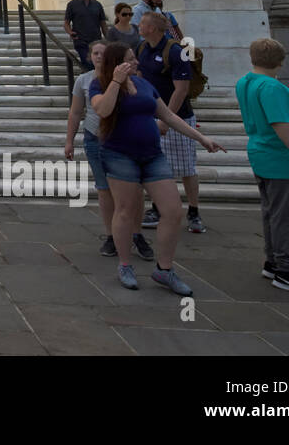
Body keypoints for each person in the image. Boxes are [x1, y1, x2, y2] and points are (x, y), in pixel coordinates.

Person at [90, 43, 225, 294]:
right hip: (120, 154)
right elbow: (103, 110)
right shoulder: (100, 85)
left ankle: (164, 269)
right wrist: (116, 82)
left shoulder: (144, 85)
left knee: (173, 210)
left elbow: (168, 116)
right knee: (125, 211)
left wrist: (201, 138)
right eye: (130, 59)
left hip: (152, 154)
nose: (136, 63)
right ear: (117, 63)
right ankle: (125, 263)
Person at [236, 38, 289, 296]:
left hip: (261, 153)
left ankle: (272, 262)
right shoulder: (271, 87)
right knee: (287, 216)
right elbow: (280, 123)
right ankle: (285, 271)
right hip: (281, 159)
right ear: (280, 62)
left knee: (271, 212)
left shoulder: (245, 82)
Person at [65, 39, 155, 261]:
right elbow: (76, 112)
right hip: (95, 138)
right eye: (94, 53)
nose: (98, 56)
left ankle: (136, 233)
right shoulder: (84, 81)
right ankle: (111, 236)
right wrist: (69, 140)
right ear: (89, 56)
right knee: (104, 188)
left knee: (135, 189)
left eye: (102, 53)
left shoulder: (132, 79)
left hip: (123, 138)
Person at [135, 13, 206, 233]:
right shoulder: (142, 48)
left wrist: (168, 118)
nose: (140, 25)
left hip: (178, 116)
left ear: (154, 28)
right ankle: (156, 207)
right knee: (154, 164)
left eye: (144, 24)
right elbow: (140, 77)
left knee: (186, 166)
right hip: (150, 116)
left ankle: (193, 211)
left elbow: (181, 89)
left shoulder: (175, 52)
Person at [64, 0, 108, 72]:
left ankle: (87, 79)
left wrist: (108, 38)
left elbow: (103, 23)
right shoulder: (72, 4)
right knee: (88, 62)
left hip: (96, 40)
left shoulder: (97, 5)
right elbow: (66, 23)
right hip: (81, 41)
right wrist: (70, 32)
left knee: (94, 64)